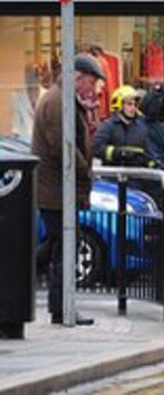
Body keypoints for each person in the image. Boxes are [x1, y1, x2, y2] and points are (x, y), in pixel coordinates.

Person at [31, 54, 106, 326]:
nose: (93, 88)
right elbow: (62, 146)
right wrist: (86, 169)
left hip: (59, 190)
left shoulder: (63, 99)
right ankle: (62, 310)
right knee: (64, 249)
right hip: (57, 192)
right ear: (77, 77)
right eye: (91, 81)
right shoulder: (57, 101)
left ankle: (53, 304)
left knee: (55, 248)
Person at [92, 85, 156, 169]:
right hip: (113, 178)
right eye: (129, 104)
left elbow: (148, 152)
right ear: (119, 105)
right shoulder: (108, 126)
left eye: (135, 104)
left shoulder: (141, 127)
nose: (133, 108)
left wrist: (154, 164)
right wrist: (120, 153)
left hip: (136, 178)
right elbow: (96, 148)